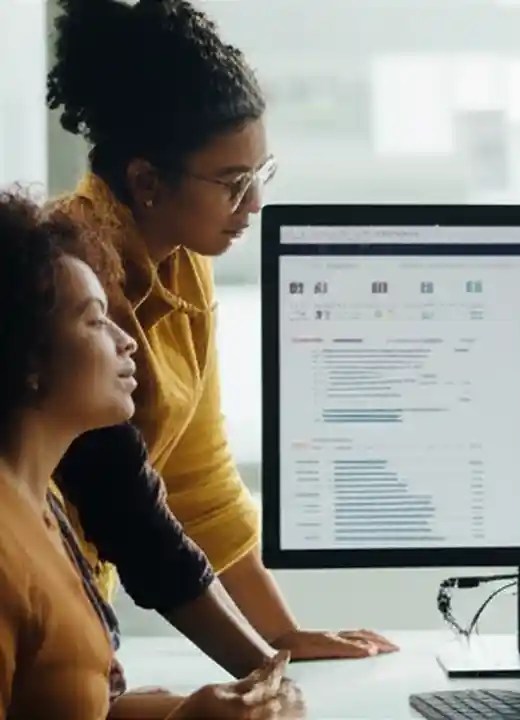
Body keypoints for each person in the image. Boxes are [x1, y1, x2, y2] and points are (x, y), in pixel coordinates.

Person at [43, 0, 397, 665]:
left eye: (260, 176)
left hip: (82, 610)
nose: (254, 206)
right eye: (234, 184)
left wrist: (281, 636)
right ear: (147, 181)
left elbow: (198, 480)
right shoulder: (68, 279)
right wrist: (264, 669)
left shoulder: (185, 263)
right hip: (35, 605)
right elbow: (132, 517)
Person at [0, 188, 304, 719]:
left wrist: (188, 707)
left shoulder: (39, 506)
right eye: (95, 321)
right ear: (26, 356)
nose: (128, 340)